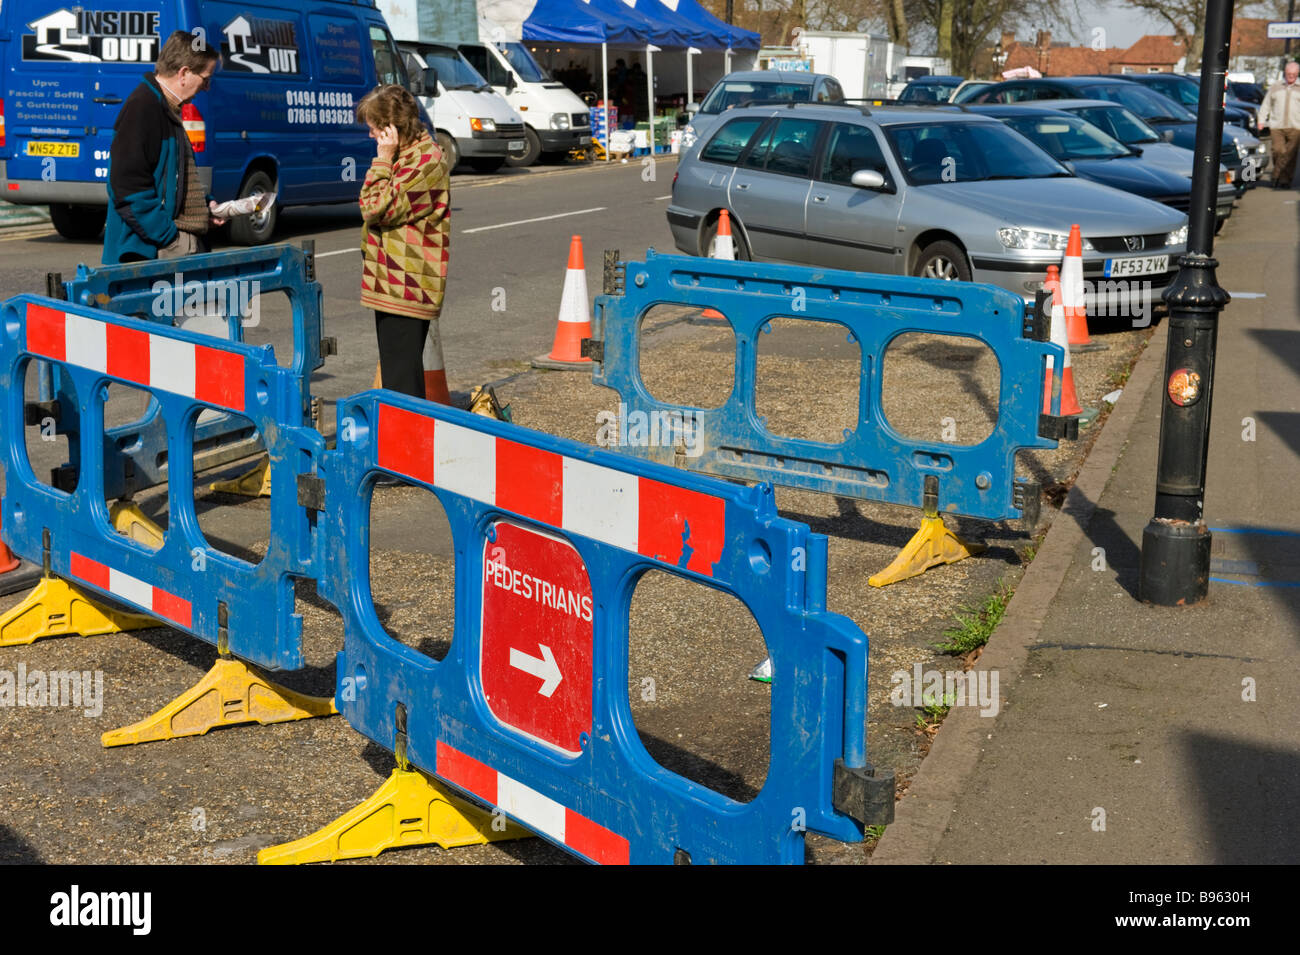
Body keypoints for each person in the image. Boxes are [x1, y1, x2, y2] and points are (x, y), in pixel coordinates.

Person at [356, 84, 451, 402]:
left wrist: (381, 160)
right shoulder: (408, 156)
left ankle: (409, 444)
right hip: (392, 283)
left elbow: (374, 207)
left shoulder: (425, 162)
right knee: (398, 377)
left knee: (402, 384)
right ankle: (404, 441)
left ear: (391, 128)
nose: (371, 136)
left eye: (373, 128)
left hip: (407, 285)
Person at [103, 31, 224, 264]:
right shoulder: (143, 108)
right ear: (184, 73)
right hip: (157, 251)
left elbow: (175, 177)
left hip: (171, 245)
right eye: (206, 78)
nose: (207, 87)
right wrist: (168, 237)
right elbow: (127, 189)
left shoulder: (166, 107)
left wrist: (205, 204)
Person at [1259, 61, 1300, 189]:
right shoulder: (1275, 86)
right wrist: (1261, 120)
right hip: (1277, 126)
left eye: (1294, 74)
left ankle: (1284, 180)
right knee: (1278, 151)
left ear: (1297, 73)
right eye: (1289, 73)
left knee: (1290, 155)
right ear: (1285, 73)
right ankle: (1277, 176)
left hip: (1296, 126)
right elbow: (1266, 104)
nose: (1291, 76)